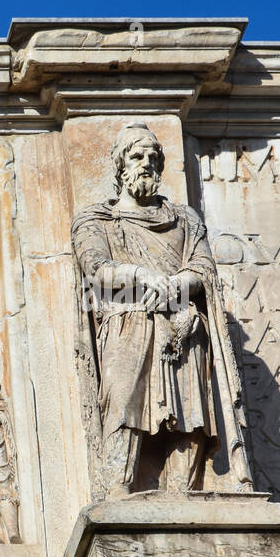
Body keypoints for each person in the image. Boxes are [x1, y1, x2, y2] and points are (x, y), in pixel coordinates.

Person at [71, 122, 253, 496]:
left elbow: (203, 269)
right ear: (120, 165)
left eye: (154, 157)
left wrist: (178, 283)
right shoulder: (96, 219)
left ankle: (184, 493)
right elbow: (96, 268)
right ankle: (118, 490)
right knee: (124, 406)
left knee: (191, 416)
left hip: (184, 327)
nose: (146, 164)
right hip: (127, 326)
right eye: (137, 156)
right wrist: (140, 274)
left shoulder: (185, 219)